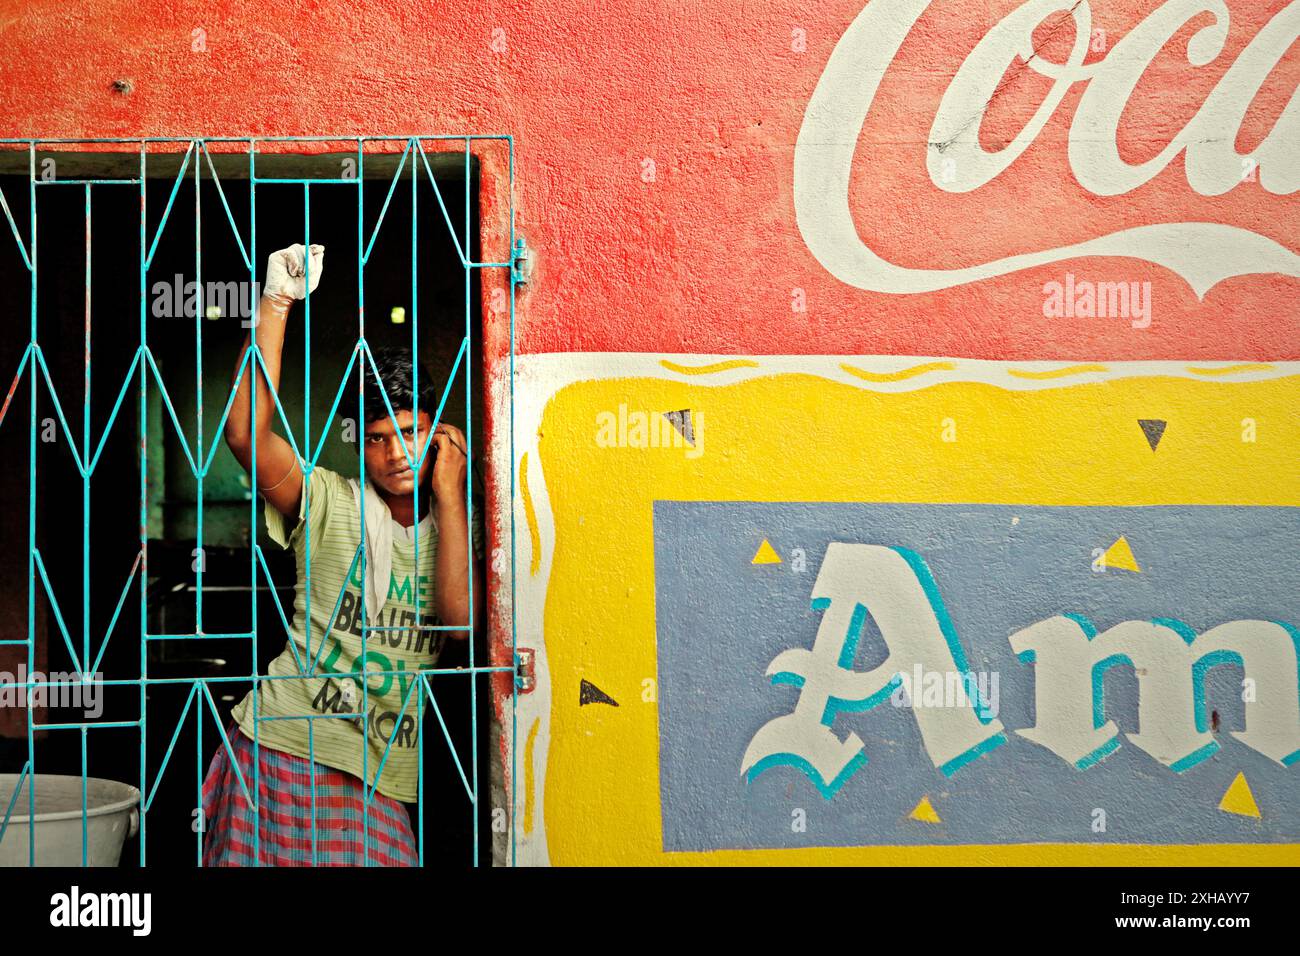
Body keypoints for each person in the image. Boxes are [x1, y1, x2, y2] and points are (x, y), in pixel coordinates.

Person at [200, 243, 484, 866]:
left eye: (409, 432)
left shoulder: (459, 525)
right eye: (378, 438)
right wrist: (276, 301)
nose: (395, 453)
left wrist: (451, 496)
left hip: (379, 776)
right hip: (280, 743)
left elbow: (459, 620)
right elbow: (245, 434)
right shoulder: (330, 502)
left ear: (437, 432)